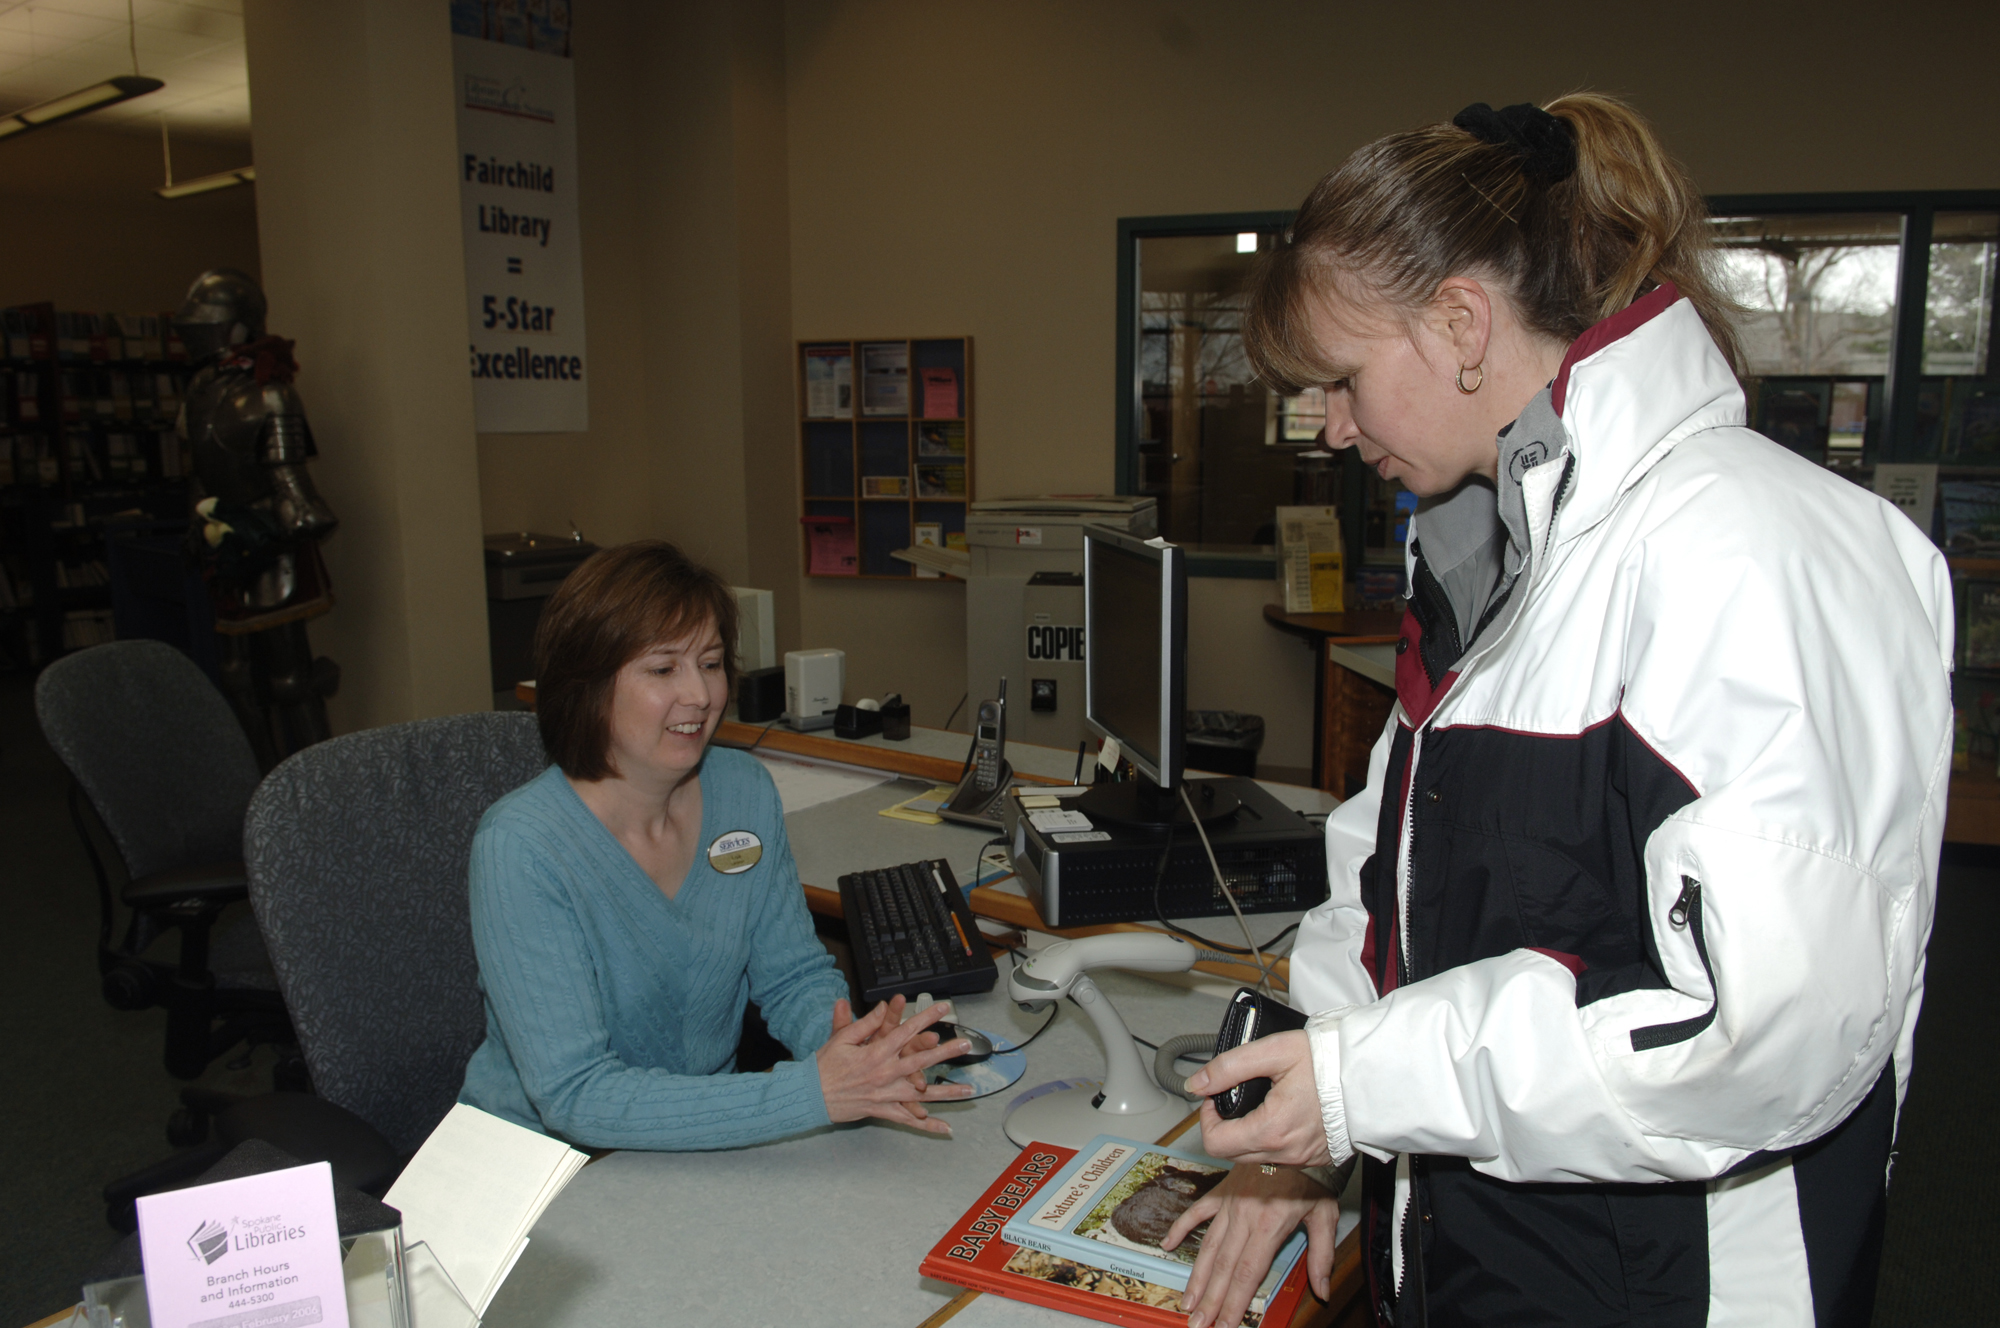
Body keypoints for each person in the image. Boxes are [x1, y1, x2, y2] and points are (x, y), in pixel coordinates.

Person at [1166, 96, 1952, 1328]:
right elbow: (1383, 884)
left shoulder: (1753, 553)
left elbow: (1761, 1032)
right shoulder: (1494, 558)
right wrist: (1304, 1127)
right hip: (1479, 1260)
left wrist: (1355, 1084)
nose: (1330, 426)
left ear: (1461, 322)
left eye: (1343, 380)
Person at [459, 539, 975, 1148]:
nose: (701, 695)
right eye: (662, 669)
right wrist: (814, 1092)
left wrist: (857, 1049)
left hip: (696, 1140)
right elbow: (574, 1094)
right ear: (588, 686)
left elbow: (792, 978)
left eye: (709, 663)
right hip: (539, 1167)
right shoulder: (521, 847)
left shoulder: (743, 791)